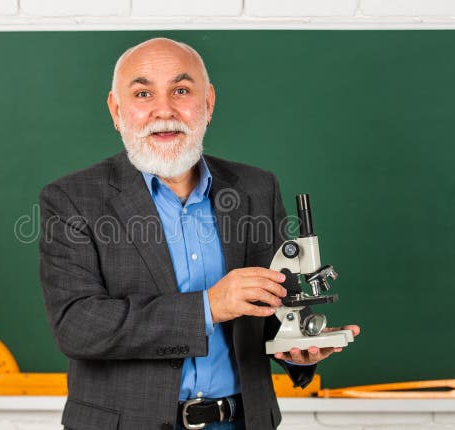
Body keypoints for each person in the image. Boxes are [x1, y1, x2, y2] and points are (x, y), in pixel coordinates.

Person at [39, 37, 359, 430]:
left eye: (181, 90)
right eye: (142, 93)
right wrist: (208, 307)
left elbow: (272, 309)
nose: (164, 110)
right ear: (116, 110)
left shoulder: (256, 188)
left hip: (243, 421)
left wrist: (296, 350)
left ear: (207, 103)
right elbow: (77, 326)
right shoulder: (72, 199)